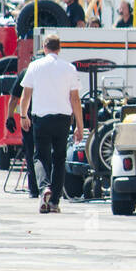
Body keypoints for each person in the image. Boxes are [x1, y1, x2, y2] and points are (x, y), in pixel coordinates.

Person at [16, 32, 84, 213]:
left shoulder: (35, 66)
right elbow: (75, 99)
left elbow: (26, 95)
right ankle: (54, 201)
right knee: (59, 159)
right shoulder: (69, 68)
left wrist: (23, 116)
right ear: (59, 49)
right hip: (63, 119)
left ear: (44, 48)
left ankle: (44, 188)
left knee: (40, 156)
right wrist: (79, 125)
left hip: (41, 118)